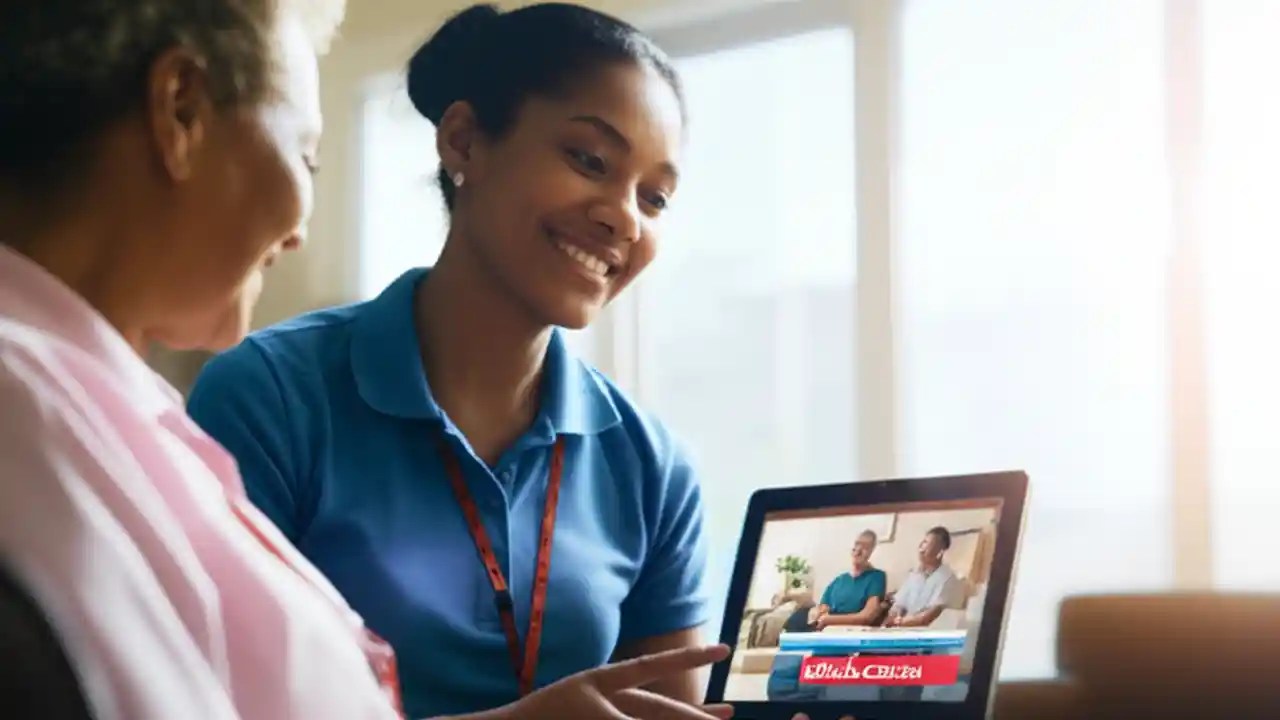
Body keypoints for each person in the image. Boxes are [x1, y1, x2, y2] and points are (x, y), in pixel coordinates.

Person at [0, 1, 738, 718]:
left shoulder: (650, 461)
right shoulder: (251, 397)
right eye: (306, 153)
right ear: (464, 143)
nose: (623, 217)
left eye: (657, 199)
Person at [884, 526, 962, 628]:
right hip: (903, 630)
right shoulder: (914, 575)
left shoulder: (948, 578)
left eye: (927, 543)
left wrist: (899, 622)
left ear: (940, 551)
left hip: (926, 635)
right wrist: (893, 618)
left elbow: (927, 617)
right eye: (923, 542)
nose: (921, 546)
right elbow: (898, 605)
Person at [812, 530, 888, 629]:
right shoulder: (838, 581)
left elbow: (867, 617)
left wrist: (829, 620)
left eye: (865, 547)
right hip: (829, 632)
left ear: (871, 552)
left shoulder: (876, 577)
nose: (858, 550)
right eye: (857, 544)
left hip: (856, 634)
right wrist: (819, 615)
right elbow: (821, 610)